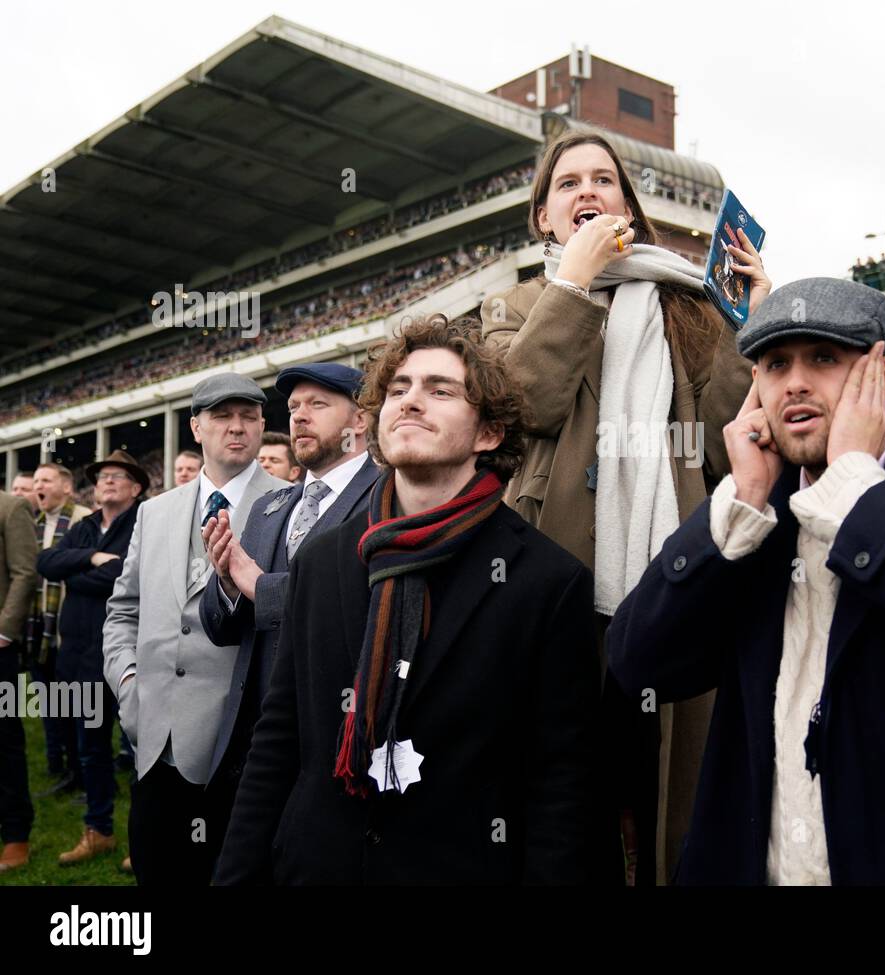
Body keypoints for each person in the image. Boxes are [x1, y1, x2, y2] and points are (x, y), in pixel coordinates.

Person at [607, 278, 885, 885]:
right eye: (774, 365)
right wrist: (737, 504)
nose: (795, 381)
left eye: (824, 358)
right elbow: (639, 662)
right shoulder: (752, 515)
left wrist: (856, 487)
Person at [215, 316, 601, 884]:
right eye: (398, 390)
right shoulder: (322, 561)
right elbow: (279, 738)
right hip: (319, 868)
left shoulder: (545, 579)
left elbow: (561, 784)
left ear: (489, 433)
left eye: (440, 390)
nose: (411, 402)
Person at [478, 130, 761, 885]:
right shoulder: (512, 306)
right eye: (568, 183)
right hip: (559, 573)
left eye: (604, 180)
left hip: (667, 575)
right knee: (567, 786)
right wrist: (574, 284)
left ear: (627, 207)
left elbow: (728, 440)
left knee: (670, 775)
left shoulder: (685, 305)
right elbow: (523, 406)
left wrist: (745, 320)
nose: (587, 192)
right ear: (544, 216)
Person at [102, 374, 289, 885]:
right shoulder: (154, 512)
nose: (237, 428)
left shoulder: (293, 505)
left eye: (249, 417)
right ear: (196, 427)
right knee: (157, 869)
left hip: (241, 751)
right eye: (223, 417)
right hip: (154, 736)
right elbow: (122, 610)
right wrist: (127, 684)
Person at [200, 363, 379, 796]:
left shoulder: (389, 497)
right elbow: (220, 628)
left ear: (360, 420)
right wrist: (226, 582)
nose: (299, 415)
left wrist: (260, 586)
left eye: (318, 404)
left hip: (339, 740)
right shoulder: (270, 506)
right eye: (294, 406)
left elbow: (361, 608)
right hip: (257, 743)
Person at [36, 451, 148, 865]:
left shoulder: (144, 522)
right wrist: (92, 558)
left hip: (128, 657)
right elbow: (45, 562)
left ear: (136, 488)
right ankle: (98, 830)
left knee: (140, 752)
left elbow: (127, 577)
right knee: (91, 749)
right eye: (103, 477)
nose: (108, 482)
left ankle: (143, 839)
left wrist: (79, 573)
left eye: (119, 477)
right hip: (81, 658)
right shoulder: (84, 527)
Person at [27, 463, 92, 796]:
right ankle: (64, 768)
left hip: (71, 630)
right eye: (36, 480)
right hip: (39, 630)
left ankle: (84, 773)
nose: (39, 485)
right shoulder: (32, 524)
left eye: (46, 480)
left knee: (78, 707)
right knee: (52, 706)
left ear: (66, 487)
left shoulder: (83, 519)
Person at [0, 489, 39, 874]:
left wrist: (4, 632)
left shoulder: (11, 507)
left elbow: (25, 571)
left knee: (4, 740)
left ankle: (15, 834)